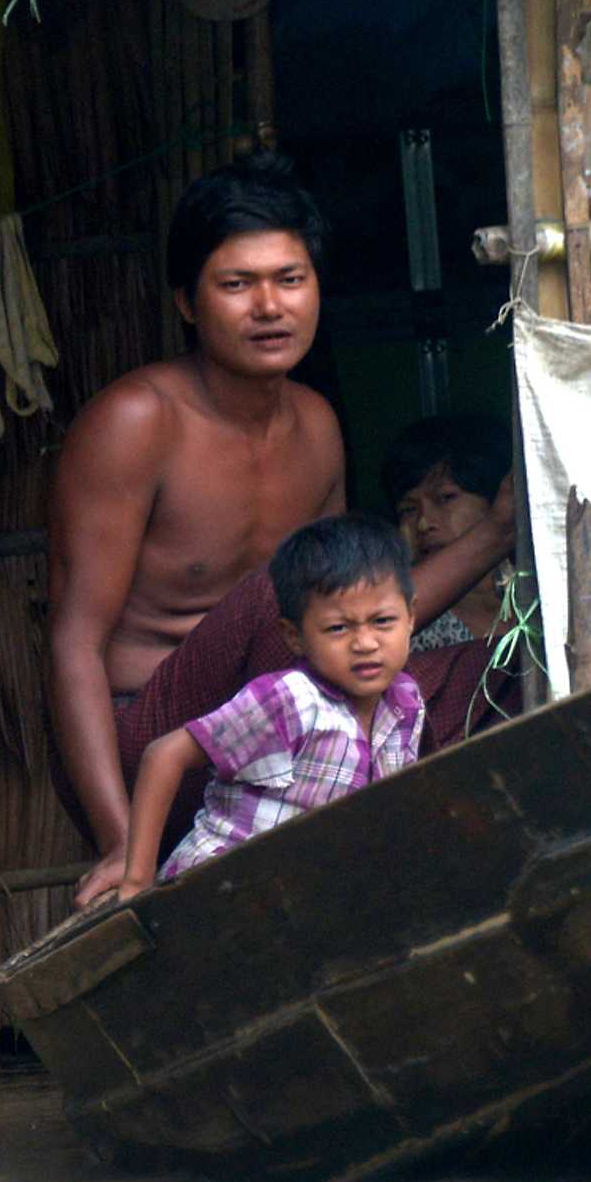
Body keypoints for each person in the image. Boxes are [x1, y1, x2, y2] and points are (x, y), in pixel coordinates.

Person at [47, 154, 512, 908]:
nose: (270, 306)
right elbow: (74, 644)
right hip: (154, 754)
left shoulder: (318, 427)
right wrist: (119, 842)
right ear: (188, 303)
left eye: (290, 280)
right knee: (282, 588)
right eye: (237, 285)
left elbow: (356, 617)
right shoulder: (136, 423)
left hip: (278, 748)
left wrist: (495, 532)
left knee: (488, 668)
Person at [101, 516, 424, 901]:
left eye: (383, 621)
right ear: (294, 637)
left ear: (411, 618)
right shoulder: (289, 699)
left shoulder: (406, 704)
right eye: (338, 628)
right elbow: (163, 755)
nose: (366, 642)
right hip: (216, 891)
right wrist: (137, 883)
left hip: (299, 900)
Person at [381, 413, 516, 651]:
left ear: (499, 498)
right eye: (408, 510)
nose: (423, 523)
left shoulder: (542, 597)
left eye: (445, 498)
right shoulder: (407, 629)